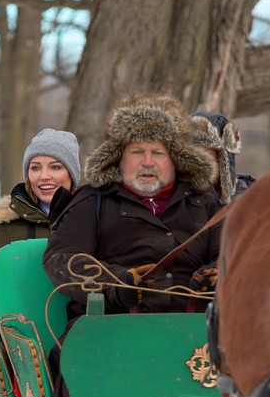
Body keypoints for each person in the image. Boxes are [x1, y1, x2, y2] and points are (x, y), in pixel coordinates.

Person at [43, 93, 222, 322]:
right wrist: (116, 284)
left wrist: (219, 273)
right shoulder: (92, 201)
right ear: (119, 157)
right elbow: (61, 258)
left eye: (158, 152)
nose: (147, 162)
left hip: (195, 335)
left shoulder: (204, 201)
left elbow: (234, 253)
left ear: (176, 159)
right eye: (137, 152)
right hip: (108, 331)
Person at [0, 128, 80, 319]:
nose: (44, 176)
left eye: (55, 167)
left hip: (85, 334)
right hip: (29, 339)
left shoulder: (91, 218)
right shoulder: (8, 227)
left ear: (71, 173)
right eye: (35, 167)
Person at [189, 111, 256, 204]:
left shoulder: (249, 202)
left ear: (223, 160)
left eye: (205, 155)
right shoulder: (174, 203)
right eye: (190, 155)